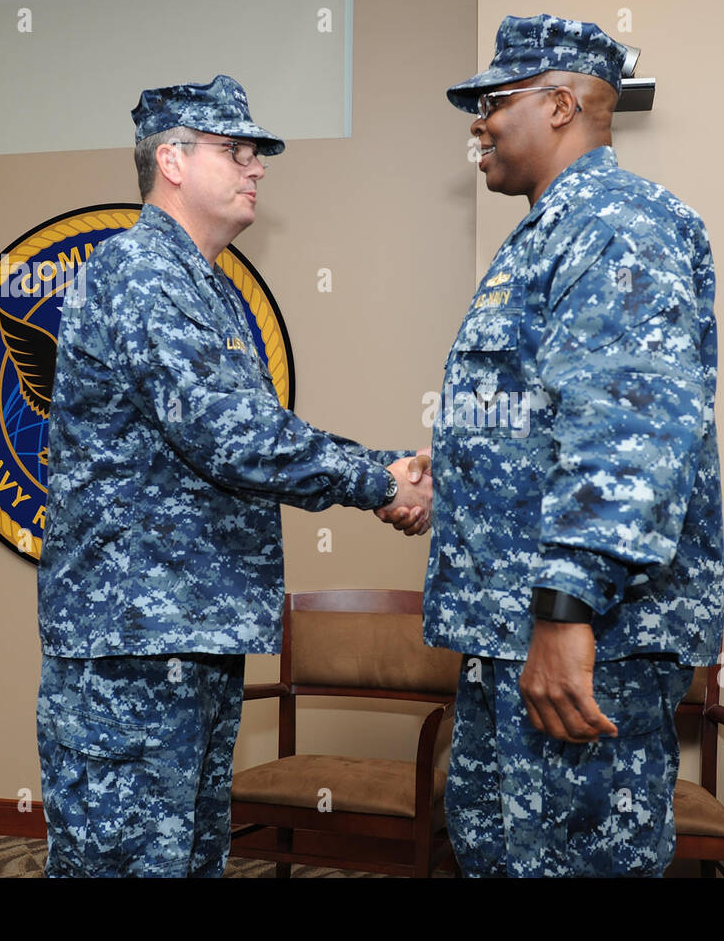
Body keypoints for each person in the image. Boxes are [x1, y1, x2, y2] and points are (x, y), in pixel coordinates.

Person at [36, 74, 431, 878]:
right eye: (235, 150)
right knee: (127, 865)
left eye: (260, 154)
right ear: (171, 160)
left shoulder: (205, 287)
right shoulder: (141, 271)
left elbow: (241, 438)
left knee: (183, 861)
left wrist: (384, 466)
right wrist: (381, 480)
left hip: (186, 632)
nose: (257, 167)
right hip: (134, 643)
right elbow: (233, 438)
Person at [417, 14, 723, 877]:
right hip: (512, 629)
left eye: (494, 101)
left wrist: (566, 609)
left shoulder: (617, 223)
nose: (478, 122)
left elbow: (629, 430)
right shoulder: (551, 230)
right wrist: (455, 476)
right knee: (502, 856)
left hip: (583, 638)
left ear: (559, 106)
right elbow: (547, 416)